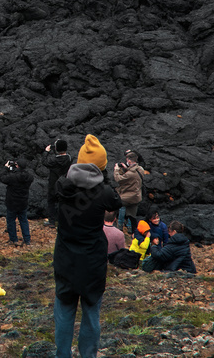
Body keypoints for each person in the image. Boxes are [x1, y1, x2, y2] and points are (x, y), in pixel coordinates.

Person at [52, 147, 121, 358]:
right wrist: (104, 177)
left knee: (64, 310)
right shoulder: (104, 192)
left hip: (65, 259)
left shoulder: (62, 186)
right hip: (92, 262)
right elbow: (116, 202)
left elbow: (65, 182)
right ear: (100, 167)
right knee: (91, 313)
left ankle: (62, 354)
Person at [0, 157, 34, 245]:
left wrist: (5, 168)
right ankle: (27, 239)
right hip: (23, 201)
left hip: (12, 202)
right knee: (23, 220)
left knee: (11, 220)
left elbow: (2, 178)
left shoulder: (13, 177)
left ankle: (13, 239)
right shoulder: (29, 177)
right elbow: (23, 175)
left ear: (17, 166)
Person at [113, 151, 145, 233]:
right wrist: (126, 168)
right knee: (132, 213)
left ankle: (119, 226)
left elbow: (119, 179)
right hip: (137, 196)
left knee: (122, 207)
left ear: (129, 161)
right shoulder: (140, 169)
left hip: (127, 197)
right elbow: (134, 173)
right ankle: (130, 228)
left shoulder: (130, 174)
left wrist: (116, 170)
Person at [43, 139, 72, 226]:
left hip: (53, 183)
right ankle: (63, 221)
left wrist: (46, 151)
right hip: (64, 183)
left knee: (51, 201)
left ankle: (51, 221)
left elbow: (44, 161)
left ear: (56, 149)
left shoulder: (53, 160)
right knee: (62, 202)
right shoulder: (69, 158)